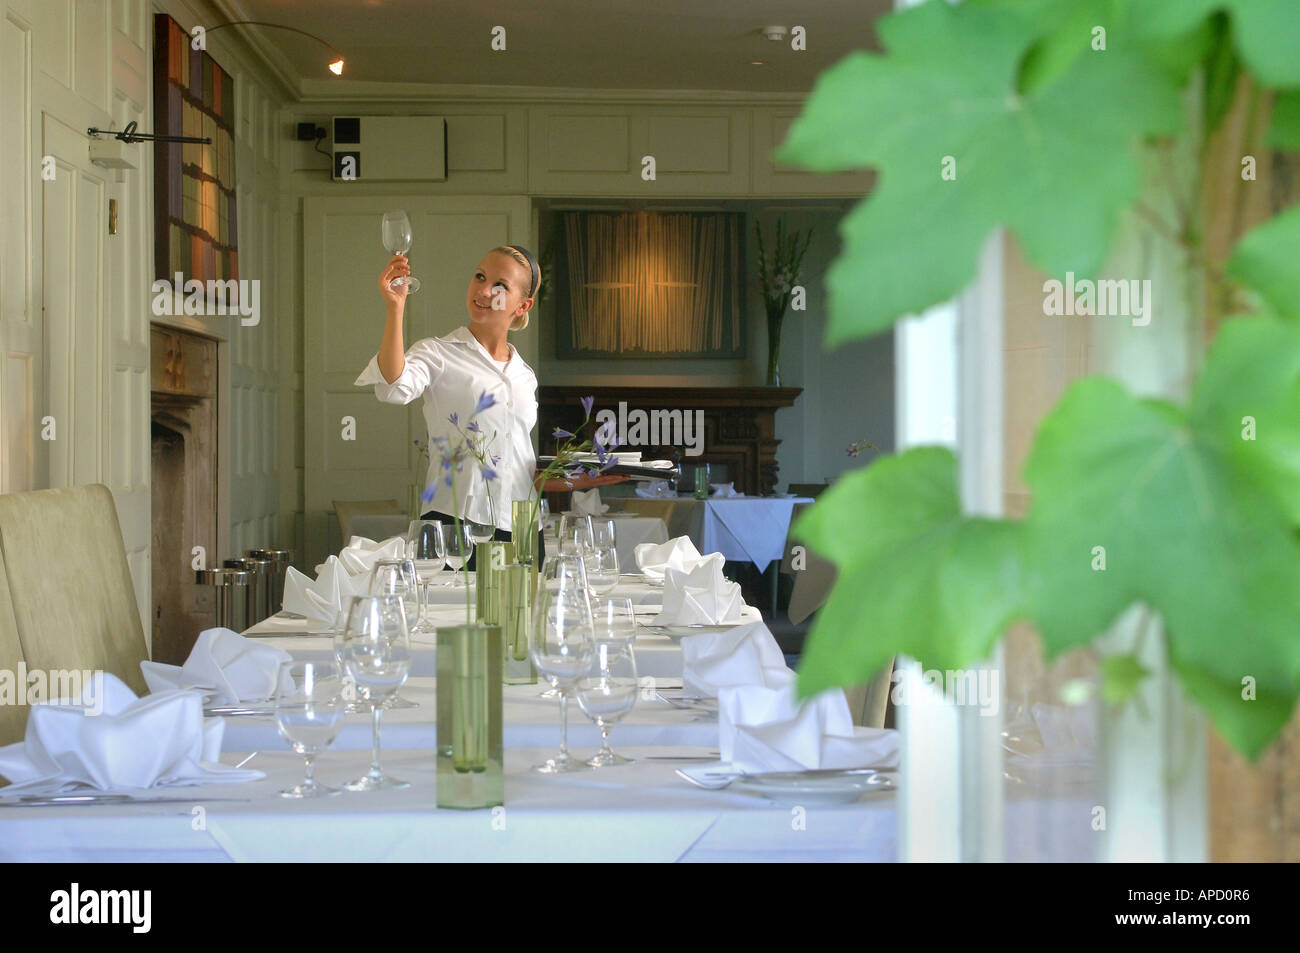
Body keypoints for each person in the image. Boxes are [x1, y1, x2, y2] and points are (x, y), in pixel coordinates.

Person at [354, 243, 621, 565]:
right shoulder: (437, 353)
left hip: (523, 525)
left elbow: (517, 466)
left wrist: (575, 478)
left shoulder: (524, 375)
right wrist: (395, 308)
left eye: (500, 285)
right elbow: (394, 387)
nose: (483, 289)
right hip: (455, 521)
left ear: (523, 306)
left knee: (522, 616)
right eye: (480, 276)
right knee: (448, 615)